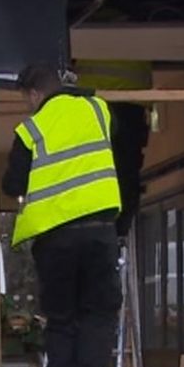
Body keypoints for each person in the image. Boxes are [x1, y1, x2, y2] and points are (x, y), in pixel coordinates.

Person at [2, 63, 123, 367]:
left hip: (56, 239)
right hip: (99, 231)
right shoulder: (98, 110)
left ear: (35, 94)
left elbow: (13, 184)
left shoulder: (31, 129)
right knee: (98, 314)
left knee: (60, 316)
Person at [73, 59, 153, 239]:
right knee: (124, 169)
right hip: (131, 99)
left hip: (92, 99)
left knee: (91, 165)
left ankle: (107, 225)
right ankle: (117, 228)